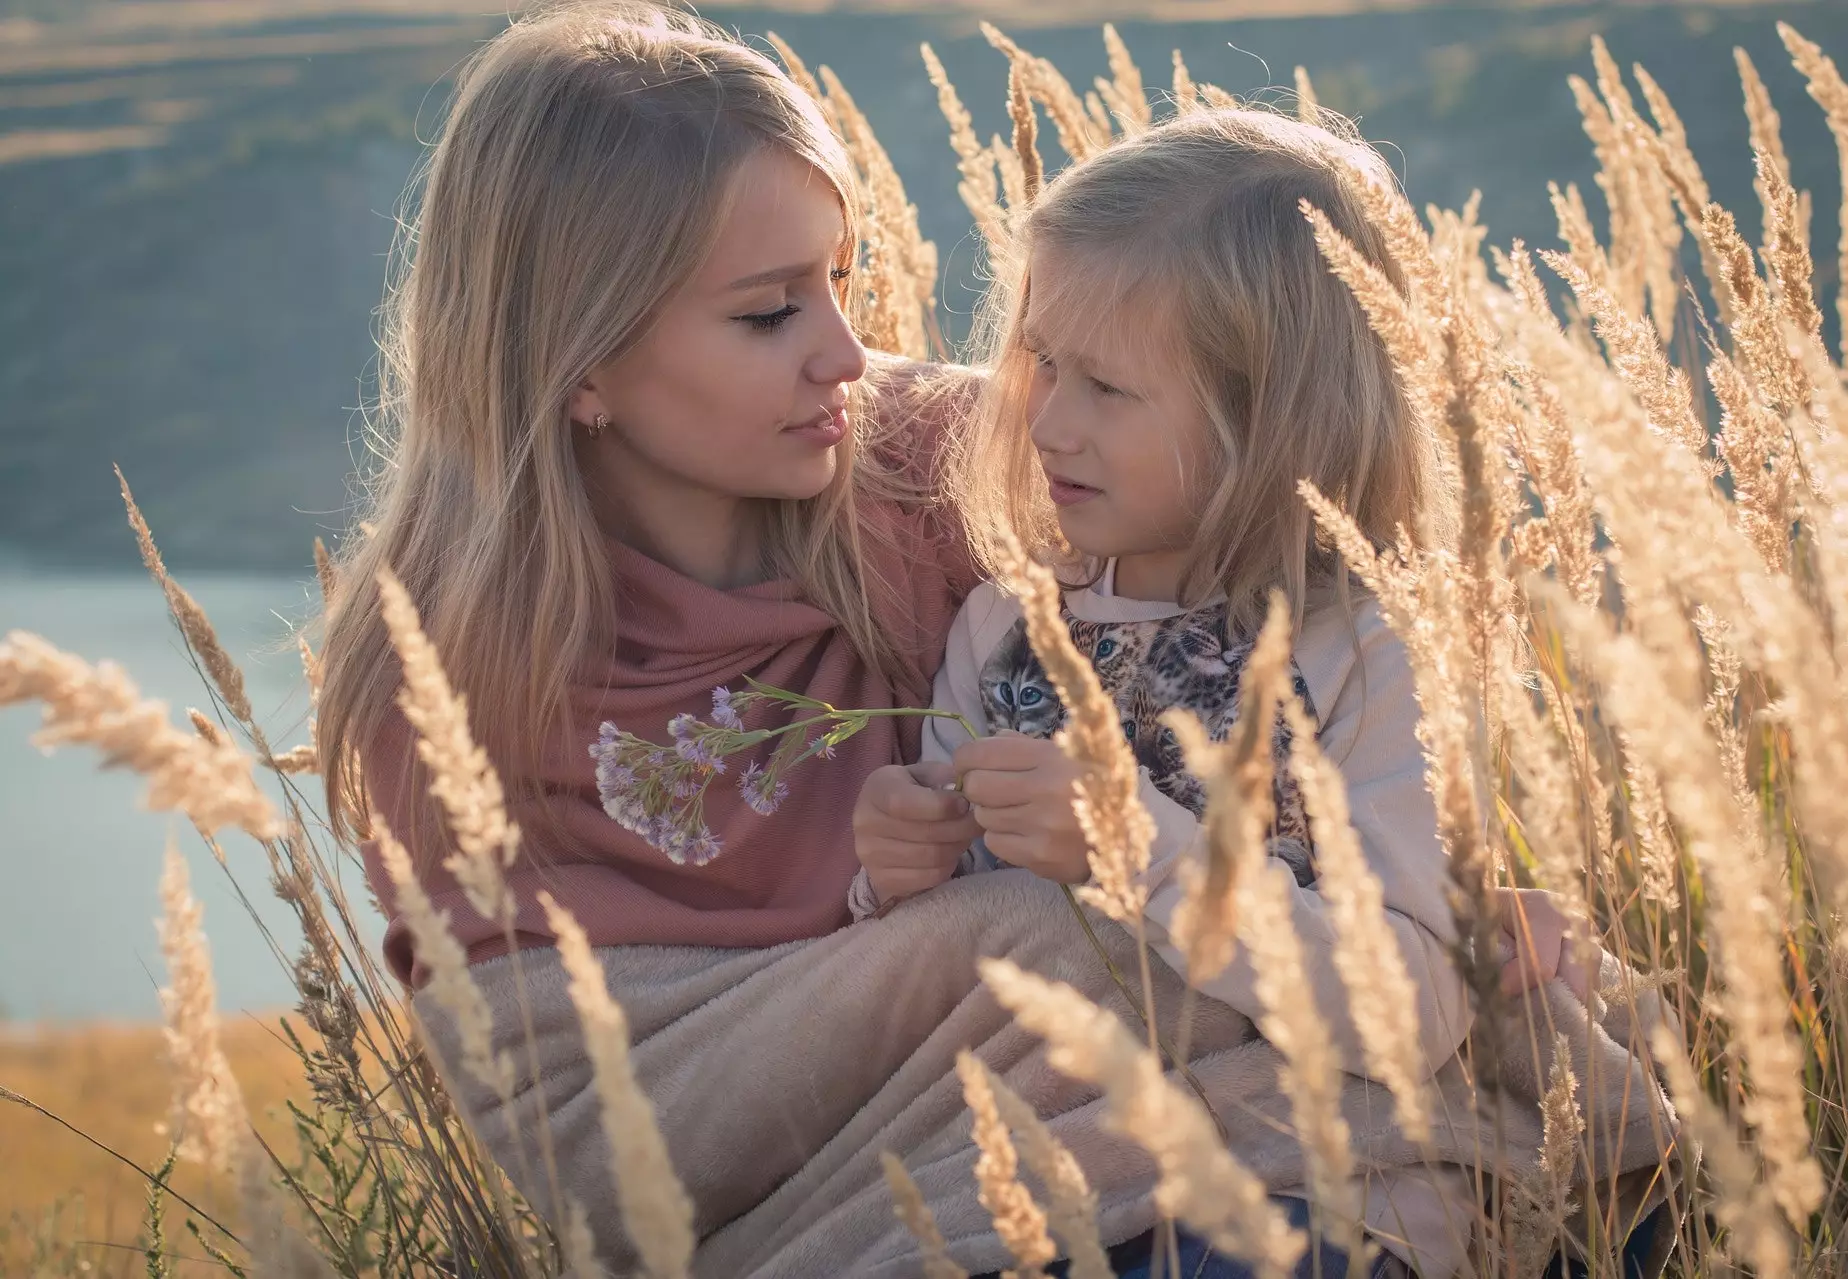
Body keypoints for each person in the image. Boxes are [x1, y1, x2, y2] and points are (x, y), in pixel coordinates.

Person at [312, 5, 1612, 1274]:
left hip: (1077, 1090)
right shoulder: (437, 667)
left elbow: (1270, 560)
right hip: (765, 1114)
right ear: (577, 360)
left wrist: (1411, 888)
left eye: (844, 279)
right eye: (770, 311)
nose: (846, 351)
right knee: (1040, 940)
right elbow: (568, 1113)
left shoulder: (944, 464)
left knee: (1074, 948)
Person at [850, 106, 1469, 1278]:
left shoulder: (1367, 656)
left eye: (1109, 388)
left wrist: (1143, 847)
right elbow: (950, 970)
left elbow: (1418, 1008)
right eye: (1040, 362)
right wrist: (891, 873)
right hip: (1060, 1173)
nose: (1047, 417)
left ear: (1270, 411)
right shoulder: (1008, 631)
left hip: (1313, 1191)